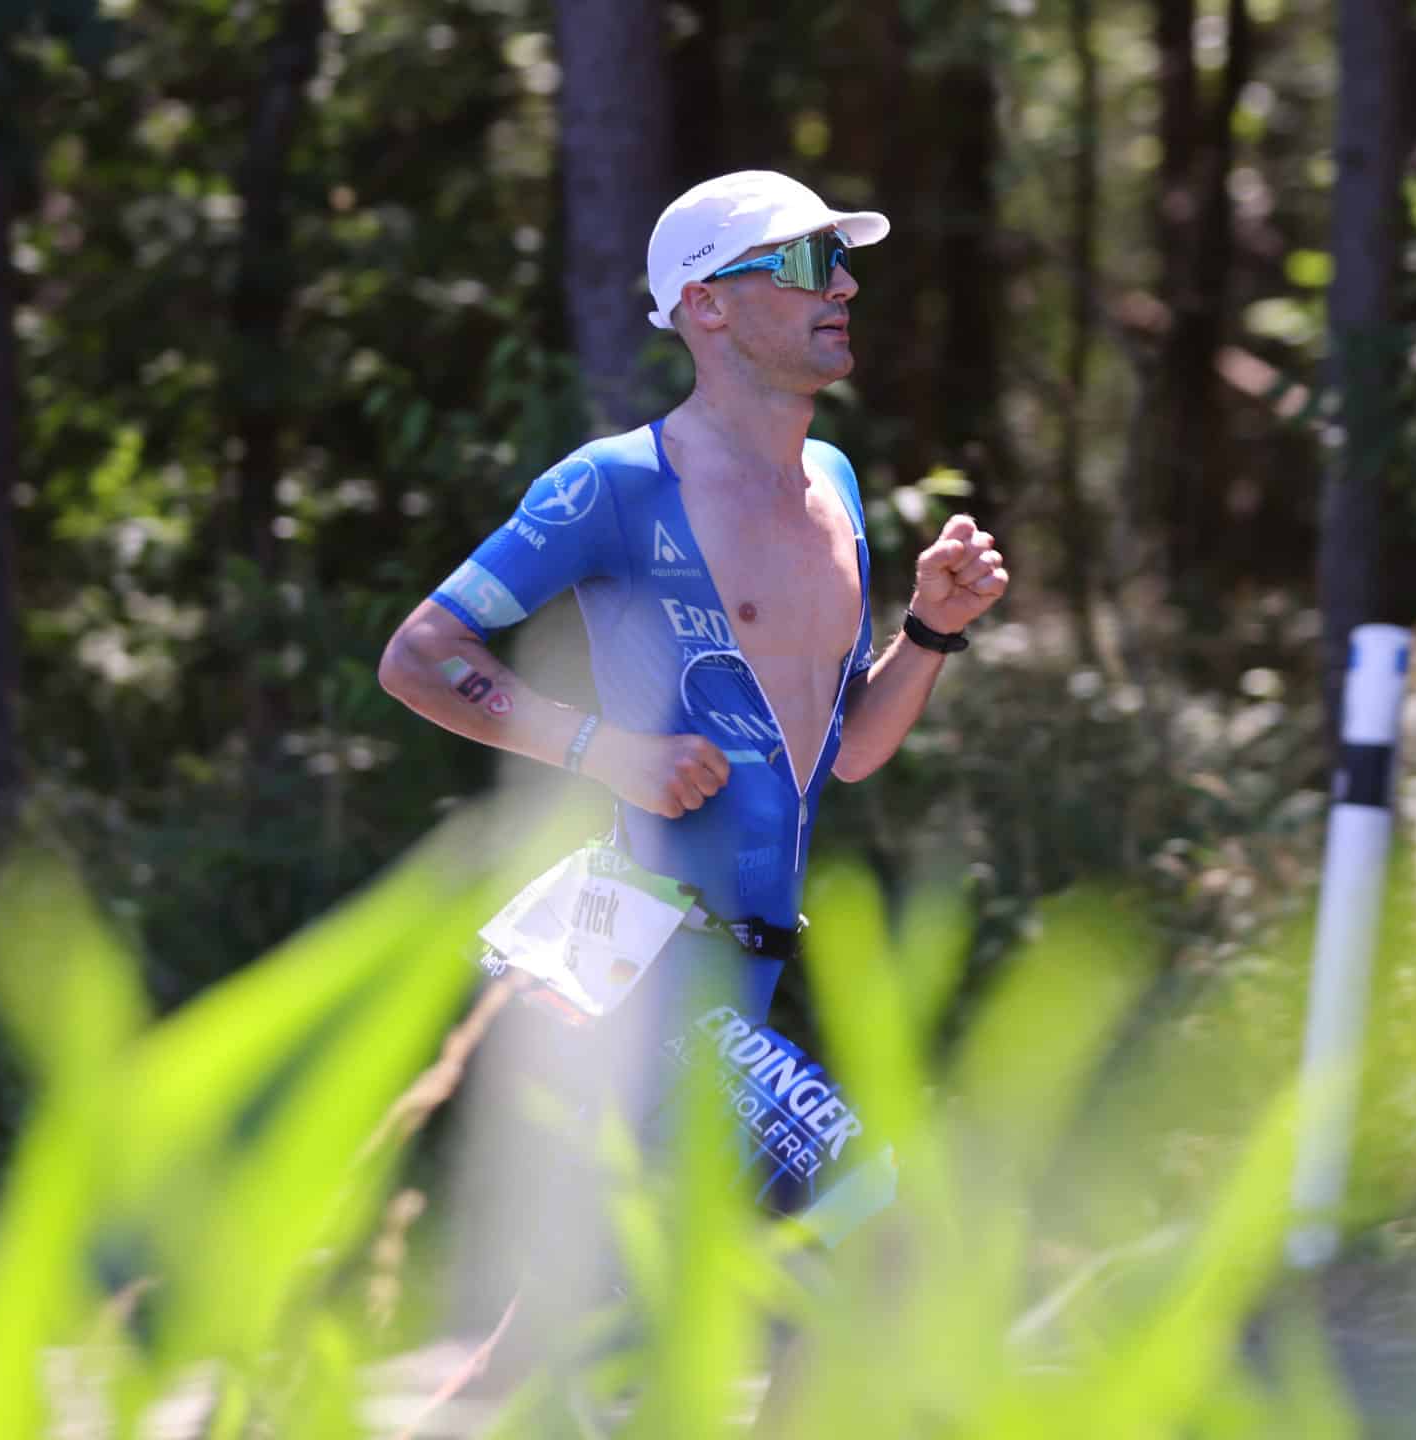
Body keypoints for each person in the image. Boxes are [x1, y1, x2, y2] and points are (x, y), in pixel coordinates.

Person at [375, 168, 1007, 1392]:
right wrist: (599, 748)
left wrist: (928, 630)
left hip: (748, 961)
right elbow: (419, 656)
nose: (848, 288)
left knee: (573, 1335)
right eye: (810, 264)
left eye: (845, 263)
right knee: (884, 1233)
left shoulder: (833, 486)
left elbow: (847, 752)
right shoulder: (610, 485)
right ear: (708, 307)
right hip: (645, 957)